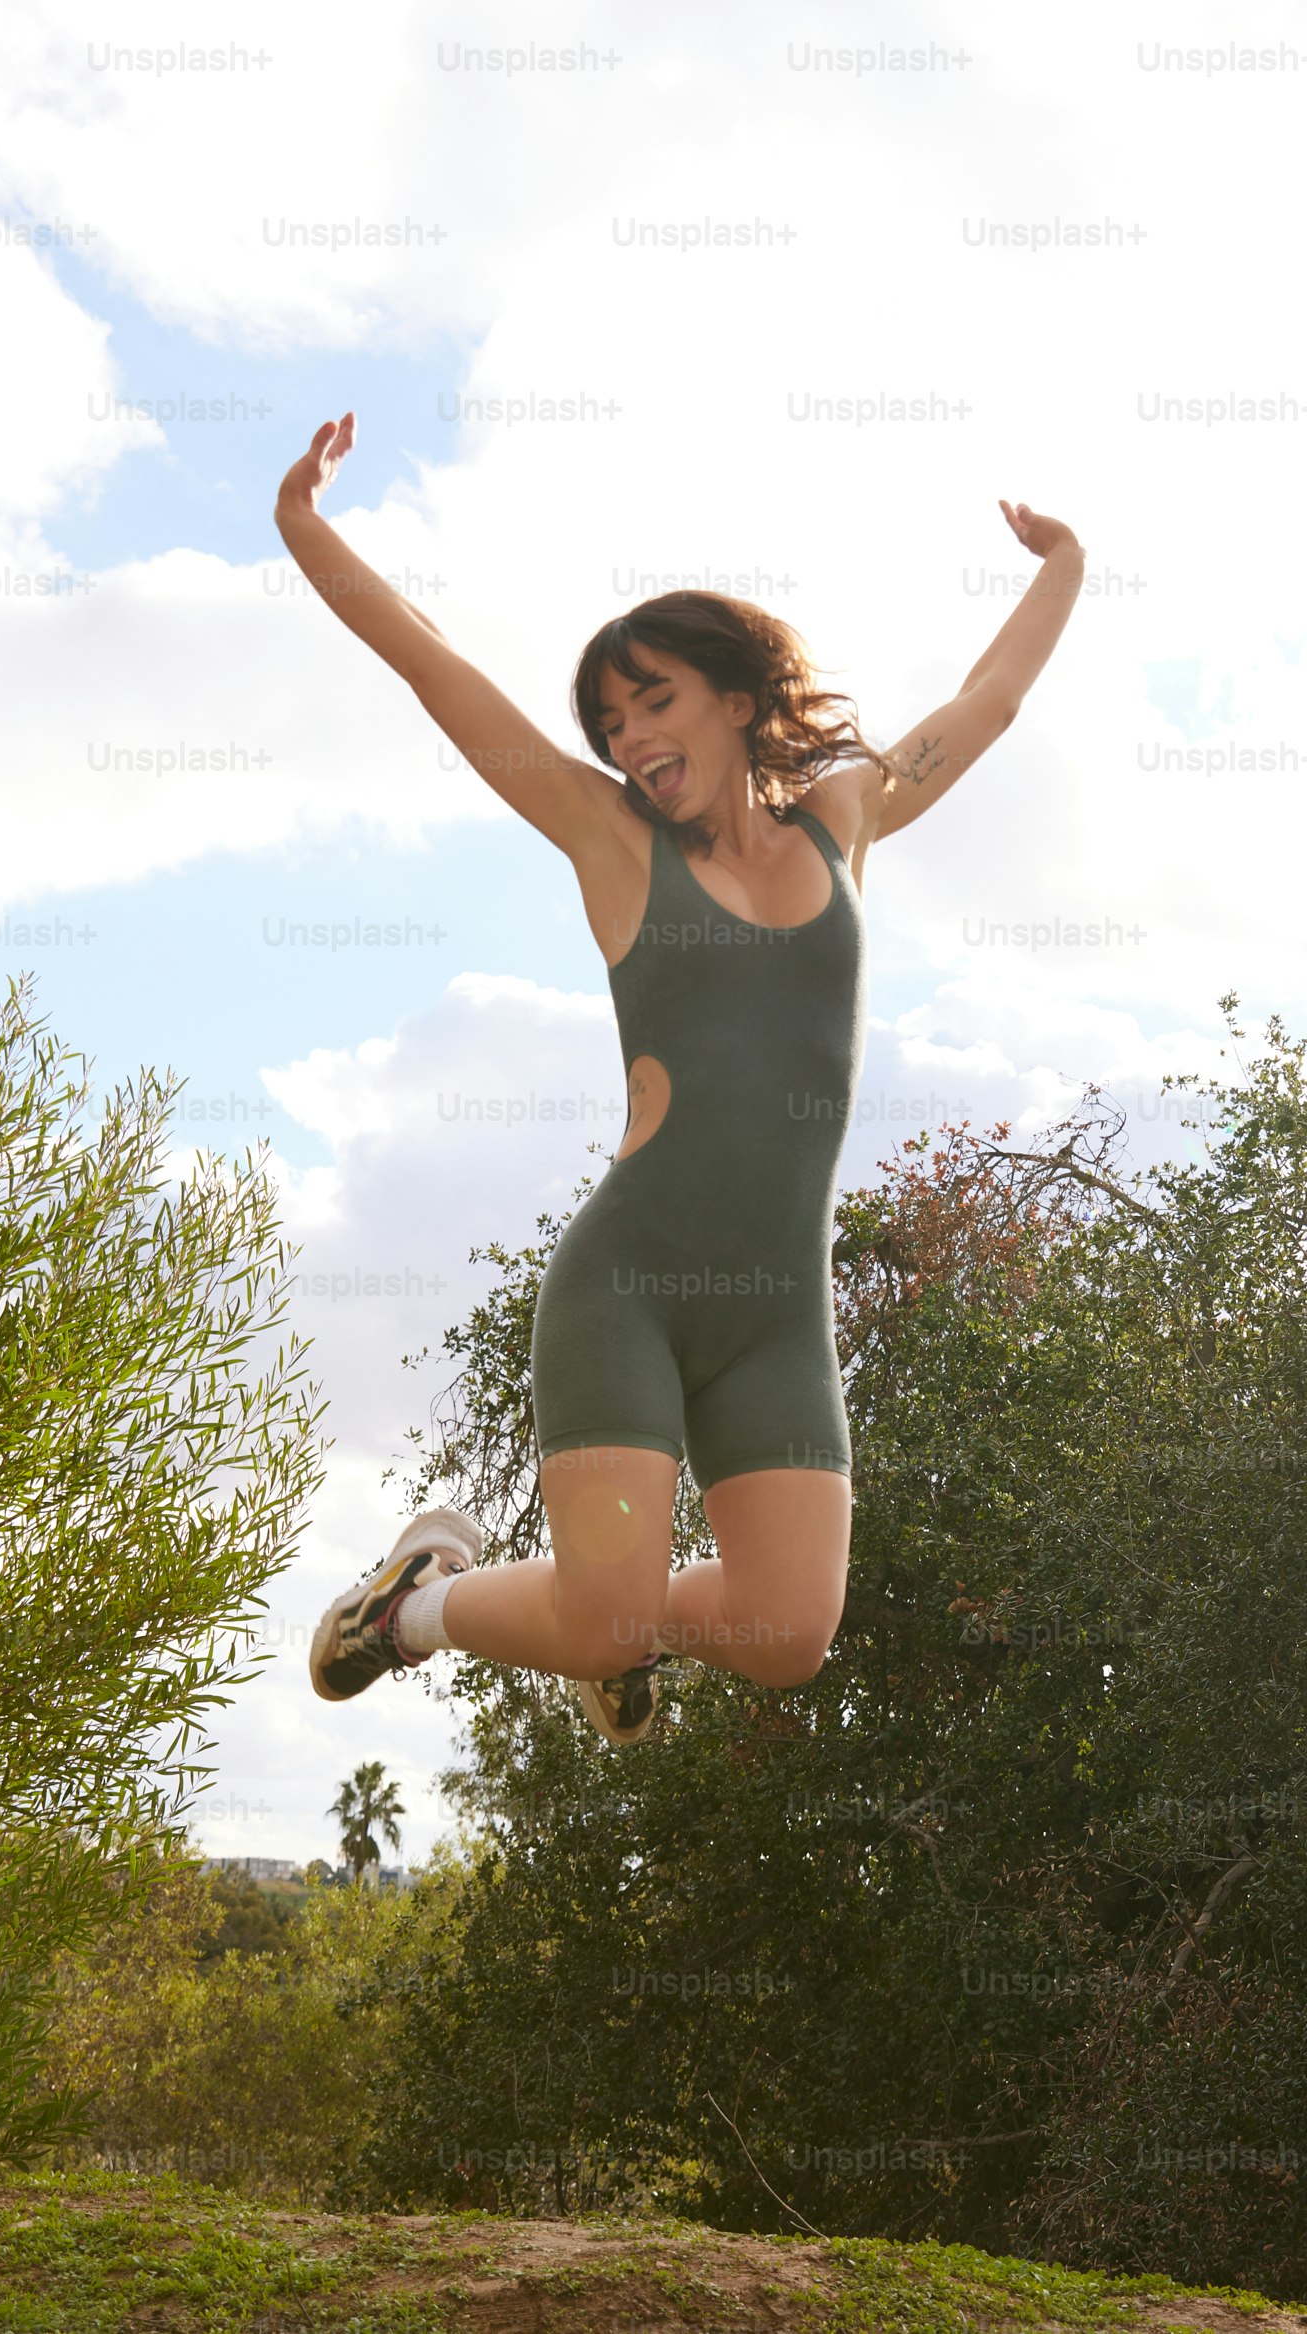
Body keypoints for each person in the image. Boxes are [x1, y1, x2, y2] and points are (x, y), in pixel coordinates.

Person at [283, 409, 1082, 1741]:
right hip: (630, 1291)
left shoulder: (843, 820)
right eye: (609, 719)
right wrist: (306, 529)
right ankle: (418, 1600)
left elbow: (986, 706)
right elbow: (437, 672)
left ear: (737, 694)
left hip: (775, 1311)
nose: (631, 737)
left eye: (655, 699)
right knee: (602, 1618)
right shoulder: (611, 845)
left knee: (788, 1637)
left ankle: (615, 1613)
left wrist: (1061, 562)